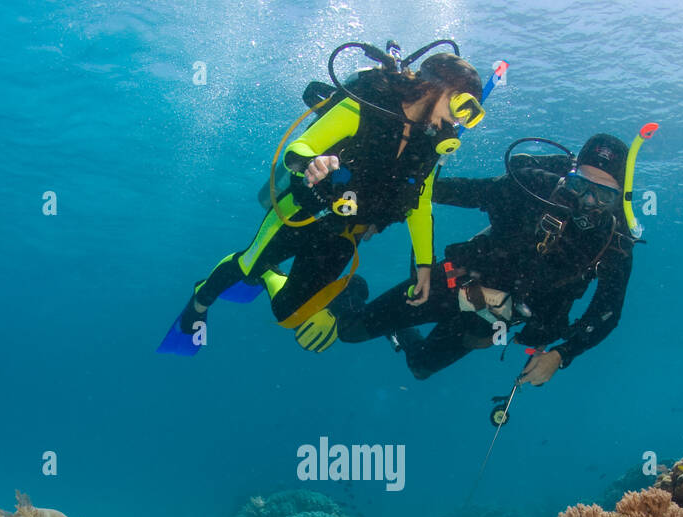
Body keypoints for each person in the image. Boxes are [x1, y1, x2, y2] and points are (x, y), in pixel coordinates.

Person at [167, 48, 484, 353]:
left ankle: (271, 275)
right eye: (461, 107)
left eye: (468, 117)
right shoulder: (366, 103)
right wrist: (311, 164)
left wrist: (425, 268)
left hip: (346, 232)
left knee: (288, 315)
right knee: (249, 266)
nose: (457, 122)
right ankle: (200, 301)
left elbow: (420, 205)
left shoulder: (429, 145)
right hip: (305, 212)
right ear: (433, 86)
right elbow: (299, 148)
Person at [335, 134, 636, 382]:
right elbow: (457, 191)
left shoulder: (615, 241)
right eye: (580, 186)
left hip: (492, 319)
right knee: (350, 331)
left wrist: (560, 356)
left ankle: (399, 330)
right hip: (455, 280)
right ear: (568, 177)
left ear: (619, 197)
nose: (587, 201)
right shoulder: (533, 187)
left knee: (420, 367)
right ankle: (351, 290)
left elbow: (607, 312)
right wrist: (384, 211)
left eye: (603, 195)